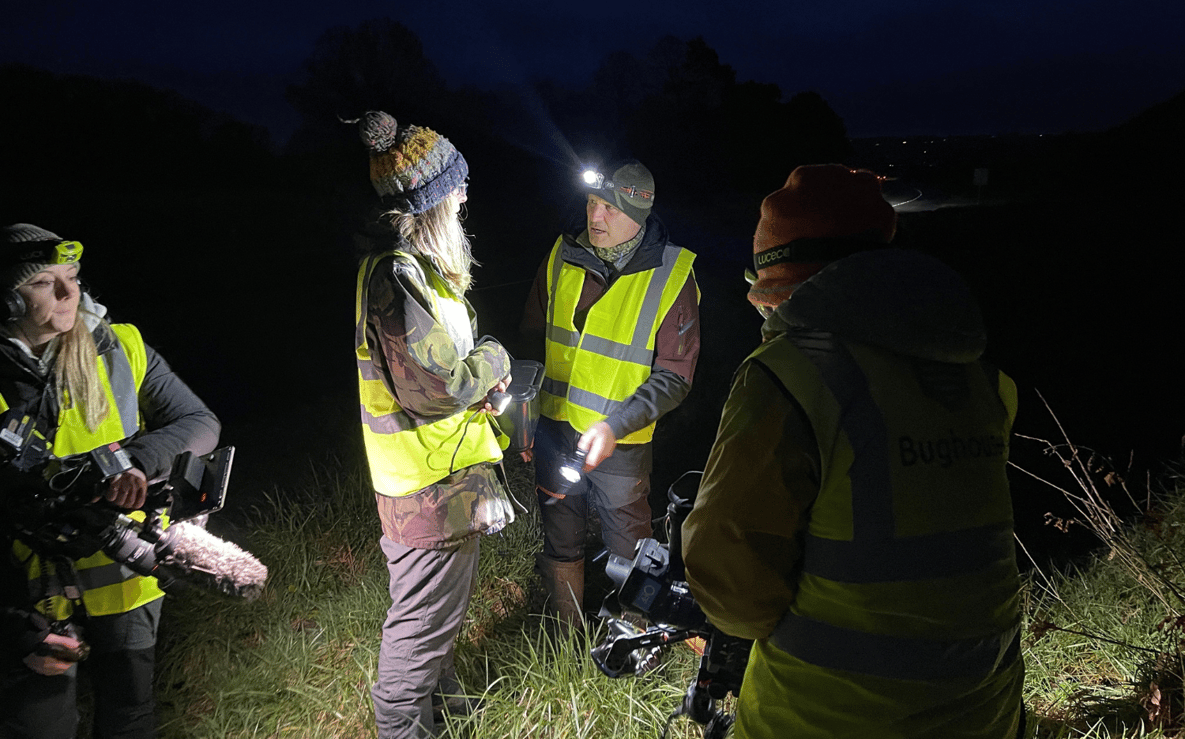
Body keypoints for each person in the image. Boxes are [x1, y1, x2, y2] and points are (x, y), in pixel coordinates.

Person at [681, 165, 1025, 738]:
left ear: (784, 289)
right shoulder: (980, 377)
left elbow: (736, 592)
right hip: (984, 709)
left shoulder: (788, 375)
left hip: (827, 716)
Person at [0, 223, 221, 739]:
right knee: (40, 724)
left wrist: (135, 463)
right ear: (8, 300)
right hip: (30, 590)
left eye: (71, 276)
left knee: (129, 714)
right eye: (43, 283)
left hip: (124, 574)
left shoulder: (119, 345)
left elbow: (200, 422)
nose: (67, 292)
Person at [353, 111, 517, 739]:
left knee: (435, 622)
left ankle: (449, 718)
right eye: (458, 187)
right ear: (429, 203)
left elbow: (436, 375)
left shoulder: (414, 272)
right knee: (416, 638)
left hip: (435, 485)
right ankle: (405, 725)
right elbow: (437, 387)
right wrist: (495, 358)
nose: (466, 196)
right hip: (428, 493)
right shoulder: (399, 277)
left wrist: (479, 385)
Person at [519, 160, 700, 625]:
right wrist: (521, 419)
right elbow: (531, 340)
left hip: (621, 445)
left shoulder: (672, 274)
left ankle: (633, 644)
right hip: (554, 430)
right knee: (560, 539)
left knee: (631, 545)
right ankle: (566, 639)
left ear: (638, 215)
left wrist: (615, 425)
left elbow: (676, 376)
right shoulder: (561, 254)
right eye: (592, 204)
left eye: (610, 209)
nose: (595, 217)